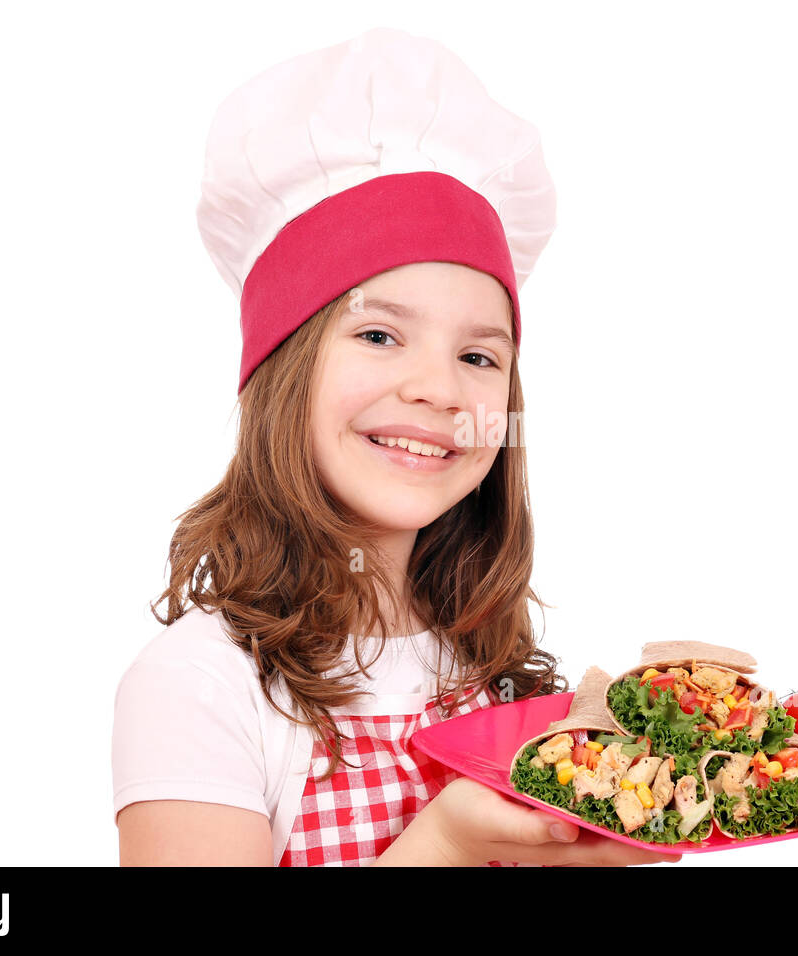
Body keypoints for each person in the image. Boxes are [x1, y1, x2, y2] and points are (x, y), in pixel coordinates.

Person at [111, 27, 681, 868]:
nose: (440, 390)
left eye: (478, 357)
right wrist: (444, 844)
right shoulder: (201, 686)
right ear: (281, 371)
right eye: (380, 335)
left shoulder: (490, 670)